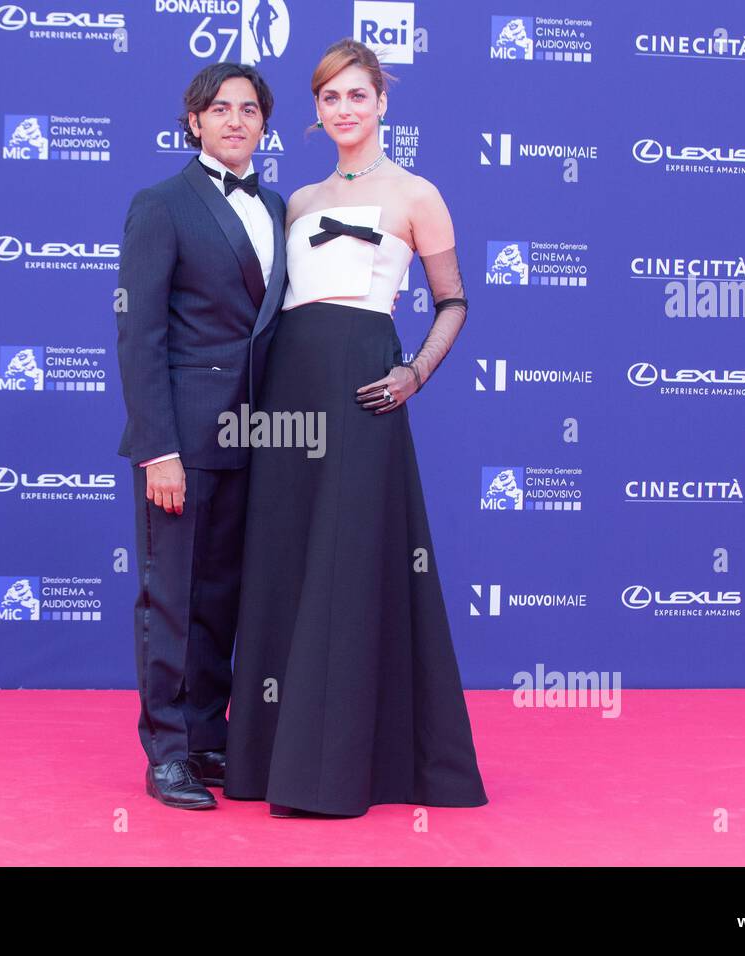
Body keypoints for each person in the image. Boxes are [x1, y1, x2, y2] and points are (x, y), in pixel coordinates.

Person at [223, 38, 489, 817]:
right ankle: (268, 762)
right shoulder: (296, 202)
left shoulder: (417, 194)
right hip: (288, 389)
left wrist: (415, 372)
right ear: (316, 110)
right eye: (330, 98)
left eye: (357, 96)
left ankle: (341, 770)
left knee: (351, 562)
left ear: (381, 104)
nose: (344, 109)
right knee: (283, 560)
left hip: (363, 385)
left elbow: (454, 301)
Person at [115, 63, 288, 810]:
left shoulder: (279, 206)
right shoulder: (161, 205)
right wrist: (158, 449)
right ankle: (168, 753)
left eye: (249, 110)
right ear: (194, 122)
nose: (236, 121)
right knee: (173, 598)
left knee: (224, 597)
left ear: (263, 124)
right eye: (220, 109)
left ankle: (209, 736)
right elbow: (139, 335)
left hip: (257, 436)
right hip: (181, 440)